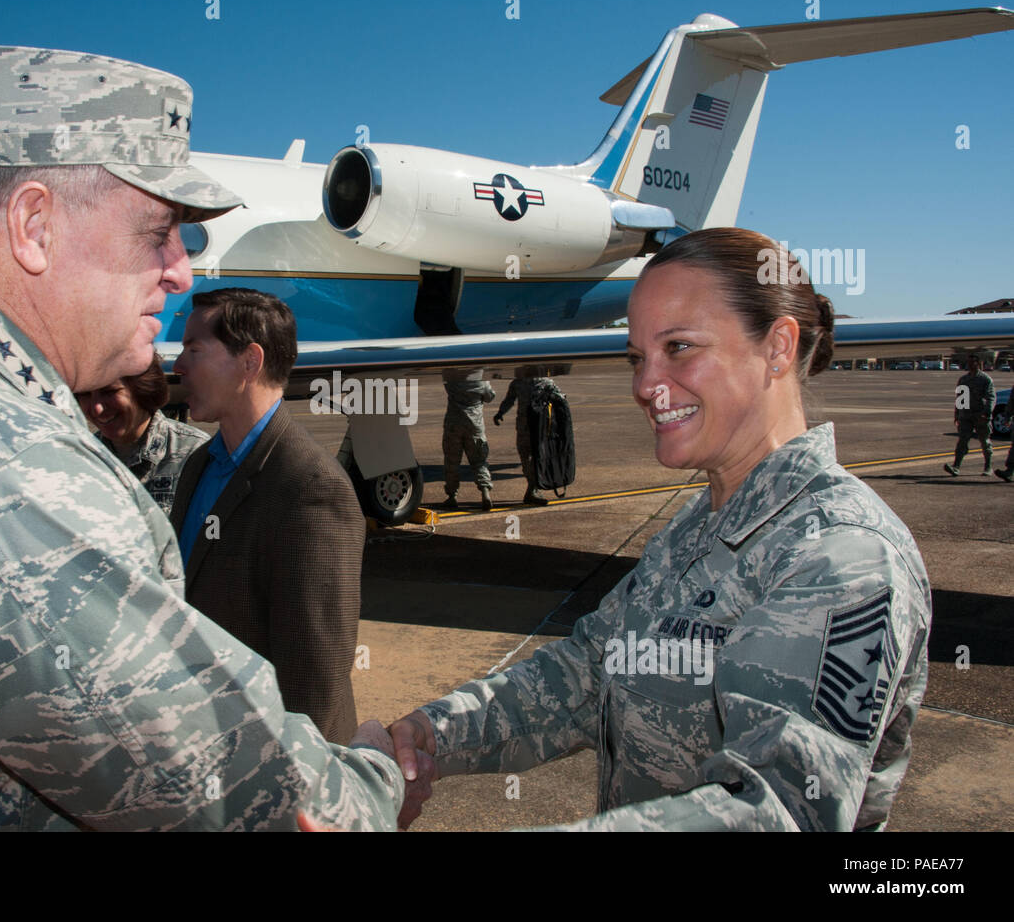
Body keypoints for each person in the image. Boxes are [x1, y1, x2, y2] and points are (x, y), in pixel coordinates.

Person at [0, 47, 405, 831]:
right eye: (159, 233)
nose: (180, 271)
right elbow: (238, 794)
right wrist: (375, 773)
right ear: (33, 226)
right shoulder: (6, 470)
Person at [387, 228, 931, 831]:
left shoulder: (842, 555)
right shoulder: (695, 527)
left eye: (679, 347)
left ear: (778, 348)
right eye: (637, 358)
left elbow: (772, 811)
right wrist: (427, 734)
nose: (645, 387)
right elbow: (587, 673)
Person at [171, 288, 364, 745]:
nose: (178, 367)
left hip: (271, 769)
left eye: (194, 351)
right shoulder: (200, 465)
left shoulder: (310, 488)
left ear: (249, 362)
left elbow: (314, 677)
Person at [77, 353, 208, 517]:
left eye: (110, 392)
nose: (97, 407)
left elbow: (213, 533)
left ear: (143, 389)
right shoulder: (82, 458)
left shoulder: (196, 454)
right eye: (85, 394)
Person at [494, 365, 563, 505]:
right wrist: (500, 412)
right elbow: (560, 398)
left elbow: (560, 399)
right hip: (532, 427)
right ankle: (533, 488)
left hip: (536, 427)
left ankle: (533, 488)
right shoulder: (541, 383)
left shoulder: (535, 383)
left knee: (531, 457)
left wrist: (501, 412)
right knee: (528, 456)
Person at [440, 369, 495, 511]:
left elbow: (446, 382)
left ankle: (452, 496)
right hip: (475, 425)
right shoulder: (481, 382)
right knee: (479, 461)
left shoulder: (453, 380)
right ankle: (485, 492)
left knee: (452, 461)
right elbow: (490, 396)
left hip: (454, 424)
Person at [944, 354, 995, 476]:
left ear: (978, 363)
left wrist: (987, 413)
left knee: (984, 441)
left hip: (980, 416)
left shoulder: (985, 379)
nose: (970, 364)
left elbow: (991, 398)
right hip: (966, 416)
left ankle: (988, 467)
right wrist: (957, 415)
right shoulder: (963, 379)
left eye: (973, 362)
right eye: (969, 362)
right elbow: (960, 399)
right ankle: (956, 466)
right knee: (962, 441)